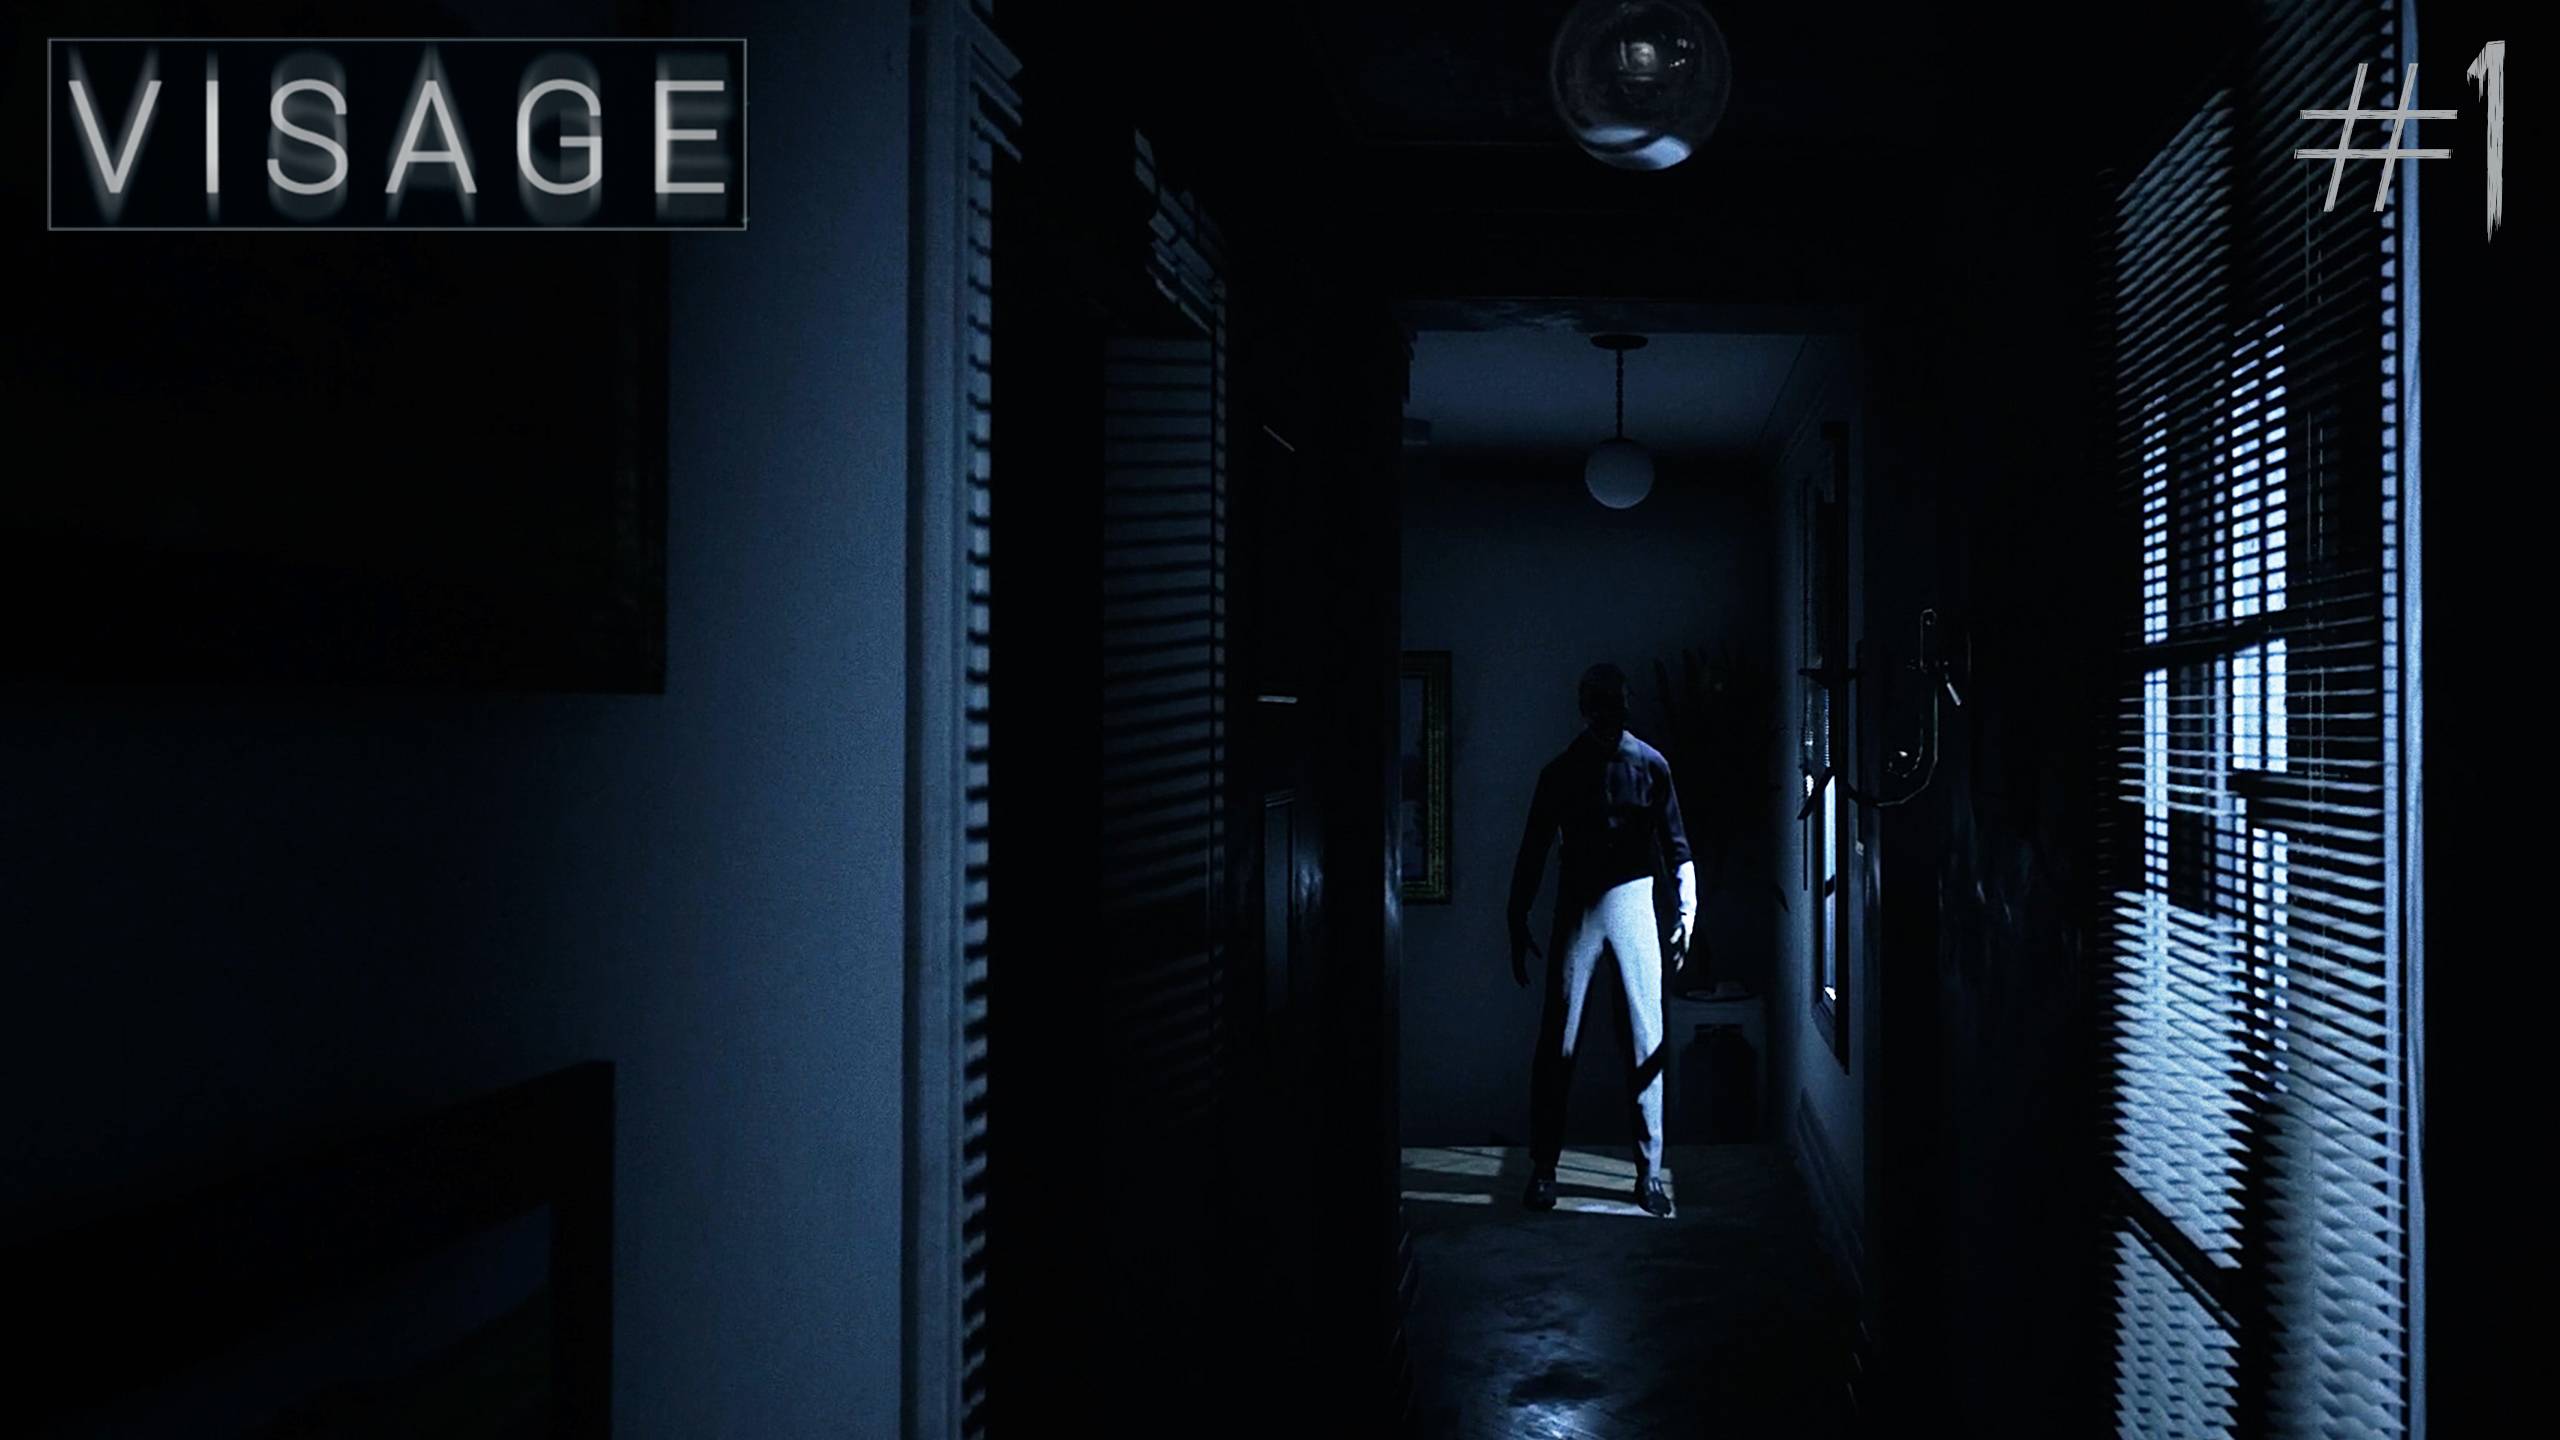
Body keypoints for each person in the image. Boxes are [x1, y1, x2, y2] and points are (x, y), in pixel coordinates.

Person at [1506, 661, 1695, 1218]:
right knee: (1558, 1041)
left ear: (1625, 705)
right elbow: (1533, 849)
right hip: (1580, 907)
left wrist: (1687, 909)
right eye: (1600, 702)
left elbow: (1677, 845)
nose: (1609, 713)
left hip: (1633, 905)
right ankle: (1544, 1169)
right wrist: (1516, 917)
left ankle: (1649, 1172)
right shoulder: (1561, 772)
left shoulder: (1651, 765)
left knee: (1645, 1038)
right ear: (1584, 707)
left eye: (1616, 701)